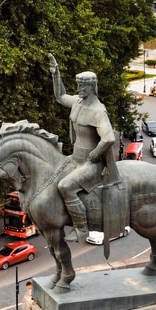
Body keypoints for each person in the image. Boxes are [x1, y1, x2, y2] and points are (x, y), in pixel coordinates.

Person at [47, 53, 118, 243]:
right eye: (78, 85)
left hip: (91, 163)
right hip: (75, 158)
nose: (79, 89)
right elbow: (60, 96)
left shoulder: (98, 111)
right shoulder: (77, 103)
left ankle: (81, 228)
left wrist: (95, 154)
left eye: (82, 86)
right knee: (51, 178)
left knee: (65, 186)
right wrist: (56, 73)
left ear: (92, 87)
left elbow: (109, 138)